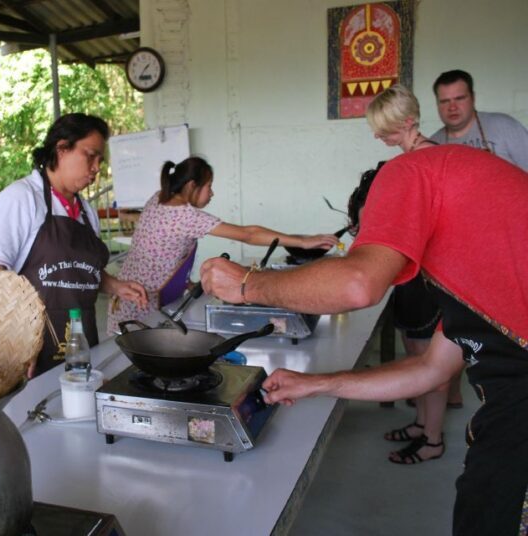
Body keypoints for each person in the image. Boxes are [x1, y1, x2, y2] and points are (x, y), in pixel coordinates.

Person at [199, 146, 528, 535]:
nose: (373, 247)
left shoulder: (406, 172)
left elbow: (358, 284)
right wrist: (317, 384)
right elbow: (430, 370)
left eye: (369, 235)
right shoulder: (480, 271)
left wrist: (247, 284)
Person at [0, 113, 148, 378]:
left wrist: (116, 286)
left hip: (81, 342)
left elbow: (82, 270)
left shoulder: (85, 211)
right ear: (61, 148)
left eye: (99, 160)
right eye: (89, 156)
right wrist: (18, 340)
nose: (96, 168)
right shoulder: (22, 198)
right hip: (32, 348)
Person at [106, 156, 339, 334]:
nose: (212, 193)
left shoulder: (158, 197)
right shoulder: (185, 216)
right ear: (191, 186)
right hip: (142, 305)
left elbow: (159, 245)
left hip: (128, 297)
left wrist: (184, 281)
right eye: (209, 186)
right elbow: (248, 234)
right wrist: (303, 241)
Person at [366, 84, 462, 465]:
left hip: (432, 278)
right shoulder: (425, 159)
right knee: (414, 354)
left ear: (409, 122)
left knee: (429, 365)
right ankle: (423, 424)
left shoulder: (421, 164)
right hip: (414, 276)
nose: (377, 136)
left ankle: (433, 439)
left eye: (385, 129)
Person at [430, 69, 528, 170]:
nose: (452, 107)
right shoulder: (433, 145)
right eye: (445, 101)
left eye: (459, 98)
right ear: (437, 103)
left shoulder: (504, 126)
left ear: (473, 98)